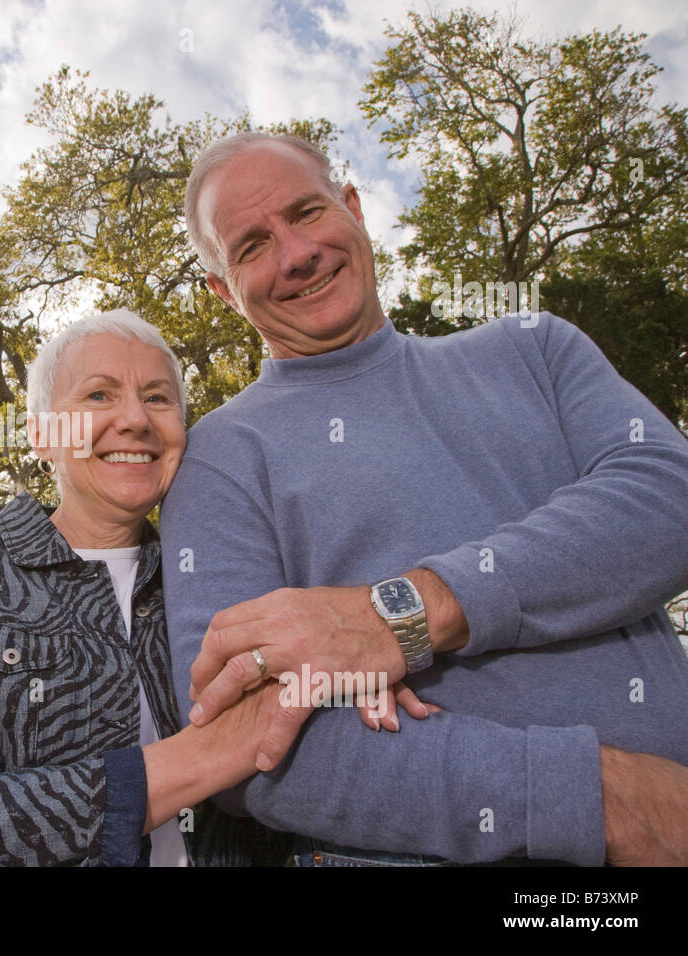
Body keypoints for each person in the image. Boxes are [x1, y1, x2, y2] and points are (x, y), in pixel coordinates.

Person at [160, 132, 688, 866]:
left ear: (352, 206)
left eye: (307, 212)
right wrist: (599, 798)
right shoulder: (219, 458)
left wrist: (406, 613)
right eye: (251, 246)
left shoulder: (534, 349)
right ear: (222, 289)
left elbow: (668, 497)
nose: (296, 254)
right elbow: (245, 735)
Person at [0, 308, 425, 865]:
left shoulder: (229, 566)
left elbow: (316, 681)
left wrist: (350, 676)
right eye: (98, 395)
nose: (136, 420)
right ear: (43, 437)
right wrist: (194, 760)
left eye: (157, 397)